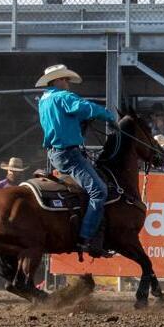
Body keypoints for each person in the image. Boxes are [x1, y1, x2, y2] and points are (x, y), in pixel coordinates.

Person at [36, 64, 117, 257]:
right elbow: (84, 107)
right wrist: (109, 116)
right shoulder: (63, 97)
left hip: (55, 153)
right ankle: (85, 238)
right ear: (56, 80)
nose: (68, 83)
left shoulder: (44, 100)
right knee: (99, 191)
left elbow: (65, 118)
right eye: (65, 79)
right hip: (69, 154)